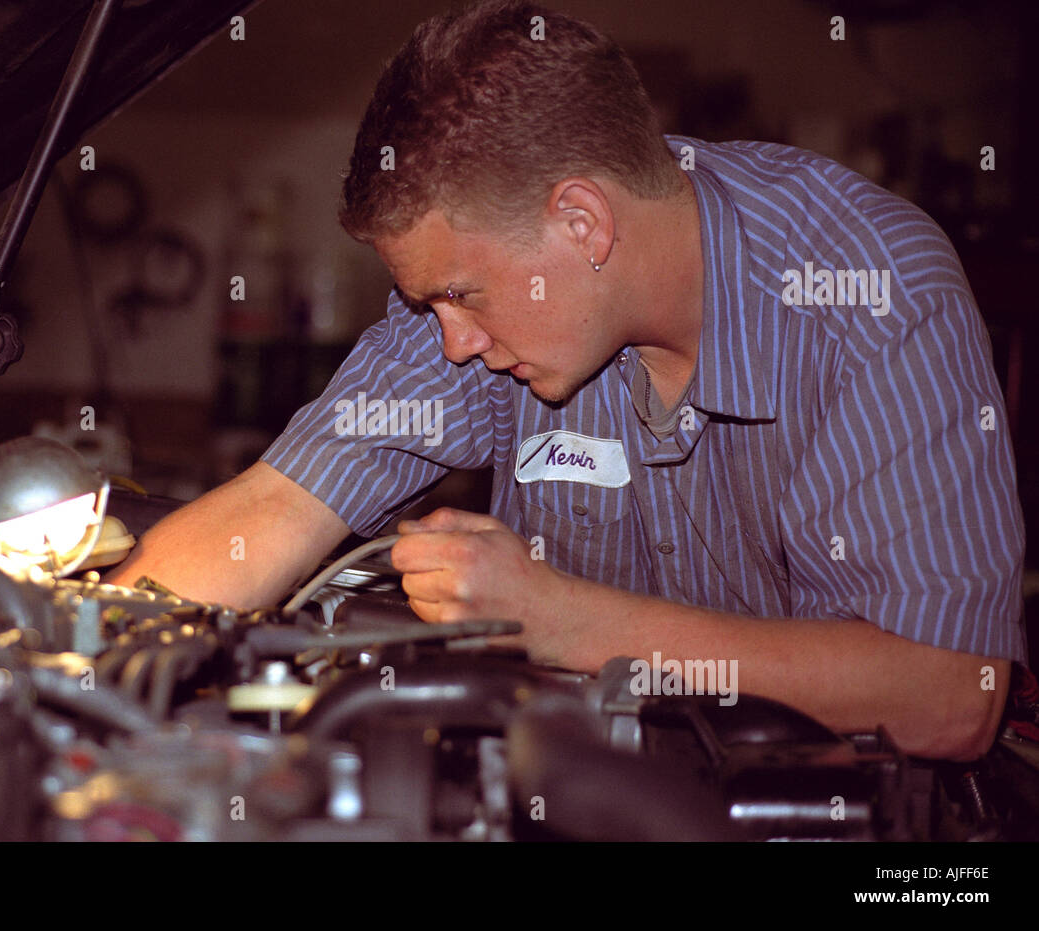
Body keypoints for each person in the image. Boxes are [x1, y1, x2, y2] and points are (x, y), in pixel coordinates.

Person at [108, 0, 1027, 761]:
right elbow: (272, 511)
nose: (451, 343)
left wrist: (560, 619)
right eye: (428, 304)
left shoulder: (871, 294)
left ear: (581, 224)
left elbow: (950, 695)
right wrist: (85, 655)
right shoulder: (490, 302)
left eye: (458, 295)